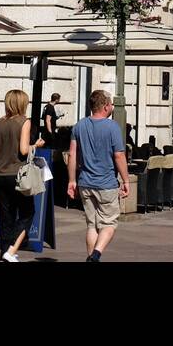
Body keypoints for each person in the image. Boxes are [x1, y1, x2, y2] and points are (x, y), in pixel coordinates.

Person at [66, 90, 130, 263]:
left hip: (85, 183)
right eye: (110, 104)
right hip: (106, 184)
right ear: (105, 106)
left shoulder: (79, 126)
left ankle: (91, 259)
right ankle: (95, 255)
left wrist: (71, 180)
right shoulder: (112, 127)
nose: (112, 106)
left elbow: (72, 155)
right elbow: (119, 156)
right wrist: (126, 180)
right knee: (109, 224)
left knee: (92, 225)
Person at [0, 89, 43, 262]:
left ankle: (3, 254)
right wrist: (37, 145)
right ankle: (11, 251)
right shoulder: (24, 122)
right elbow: (24, 150)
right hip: (17, 175)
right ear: (22, 104)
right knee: (28, 213)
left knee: (6, 217)